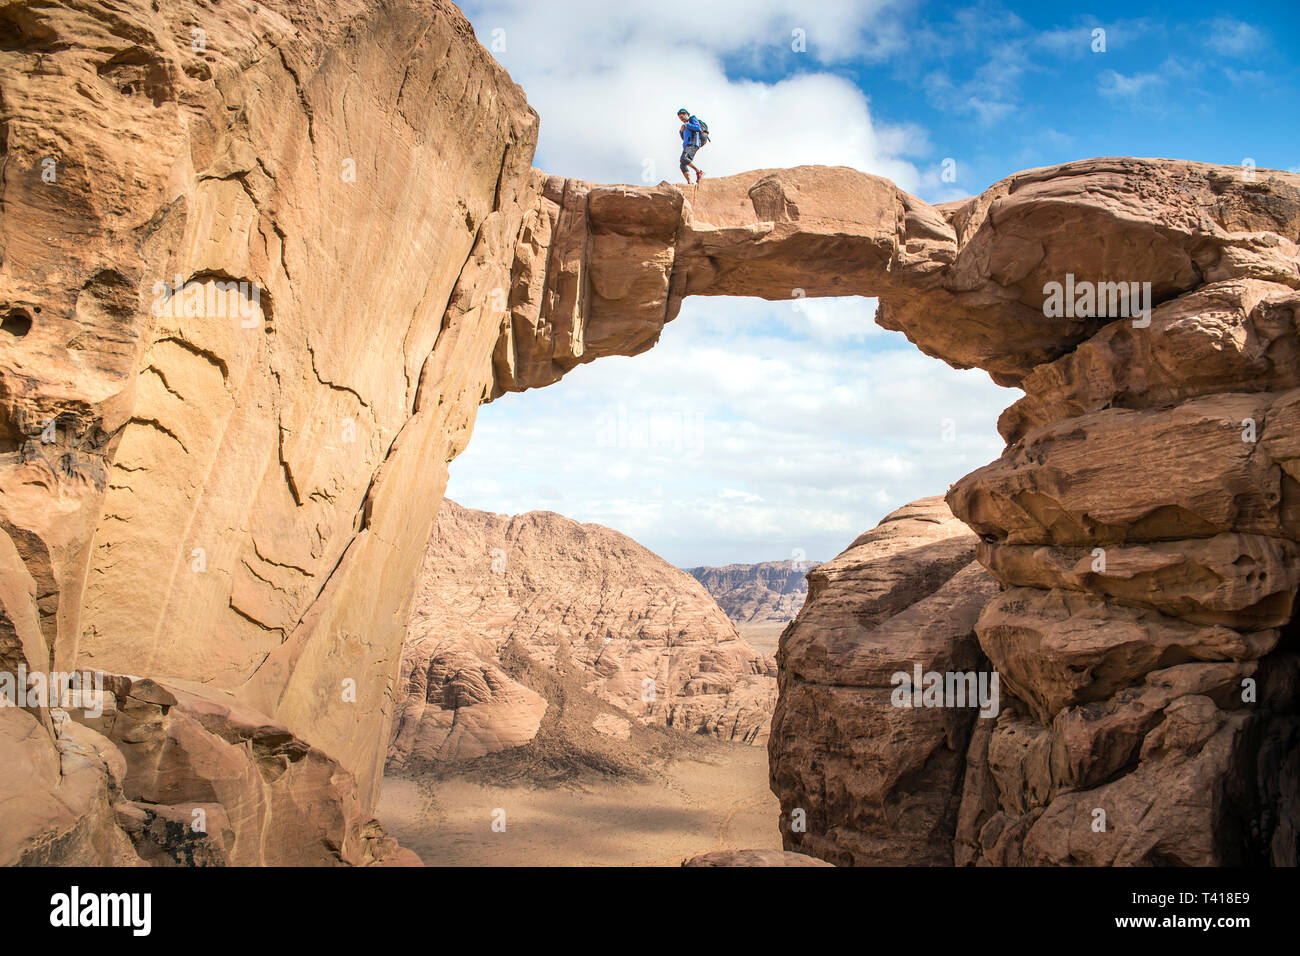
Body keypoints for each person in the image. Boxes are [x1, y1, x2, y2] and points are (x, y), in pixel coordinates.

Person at [677, 108, 706, 184]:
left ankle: (699, 172)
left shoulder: (692, 118)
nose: (681, 118)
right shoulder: (684, 126)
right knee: (682, 164)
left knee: (683, 158)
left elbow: (698, 128)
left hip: (693, 143)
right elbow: (684, 138)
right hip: (687, 146)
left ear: (687, 114)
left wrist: (688, 124)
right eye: (680, 117)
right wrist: (681, 132)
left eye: (682, 115)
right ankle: (690, 182)